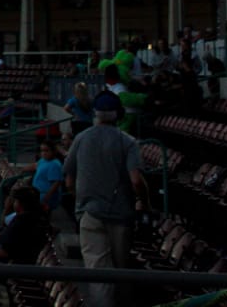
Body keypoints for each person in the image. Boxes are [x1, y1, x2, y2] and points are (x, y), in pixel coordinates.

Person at [63, 90, 149, 307]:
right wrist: (143, 202)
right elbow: (136, 180)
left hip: (90, 213)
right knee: (121, 271)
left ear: (96, 114)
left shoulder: (81, 138)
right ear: (118, 114)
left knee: (98, 272)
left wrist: (79, 201)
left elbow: (69, 181)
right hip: (121, 215)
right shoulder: (128, 141)